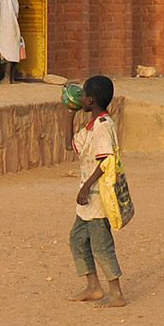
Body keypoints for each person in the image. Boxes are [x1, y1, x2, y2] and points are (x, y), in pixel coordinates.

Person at [68, 74, 126, 308]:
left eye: (82, 95)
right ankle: (93, 286)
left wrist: (85, 186)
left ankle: (117, 293)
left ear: (90, 100)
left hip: (98, 195)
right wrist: (69, 113)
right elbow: (71, 145)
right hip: (88, 199)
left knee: (101, 244)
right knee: (77, 239)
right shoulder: (91, 125)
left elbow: (106, 161)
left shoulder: (103, 127)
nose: (80, 98)